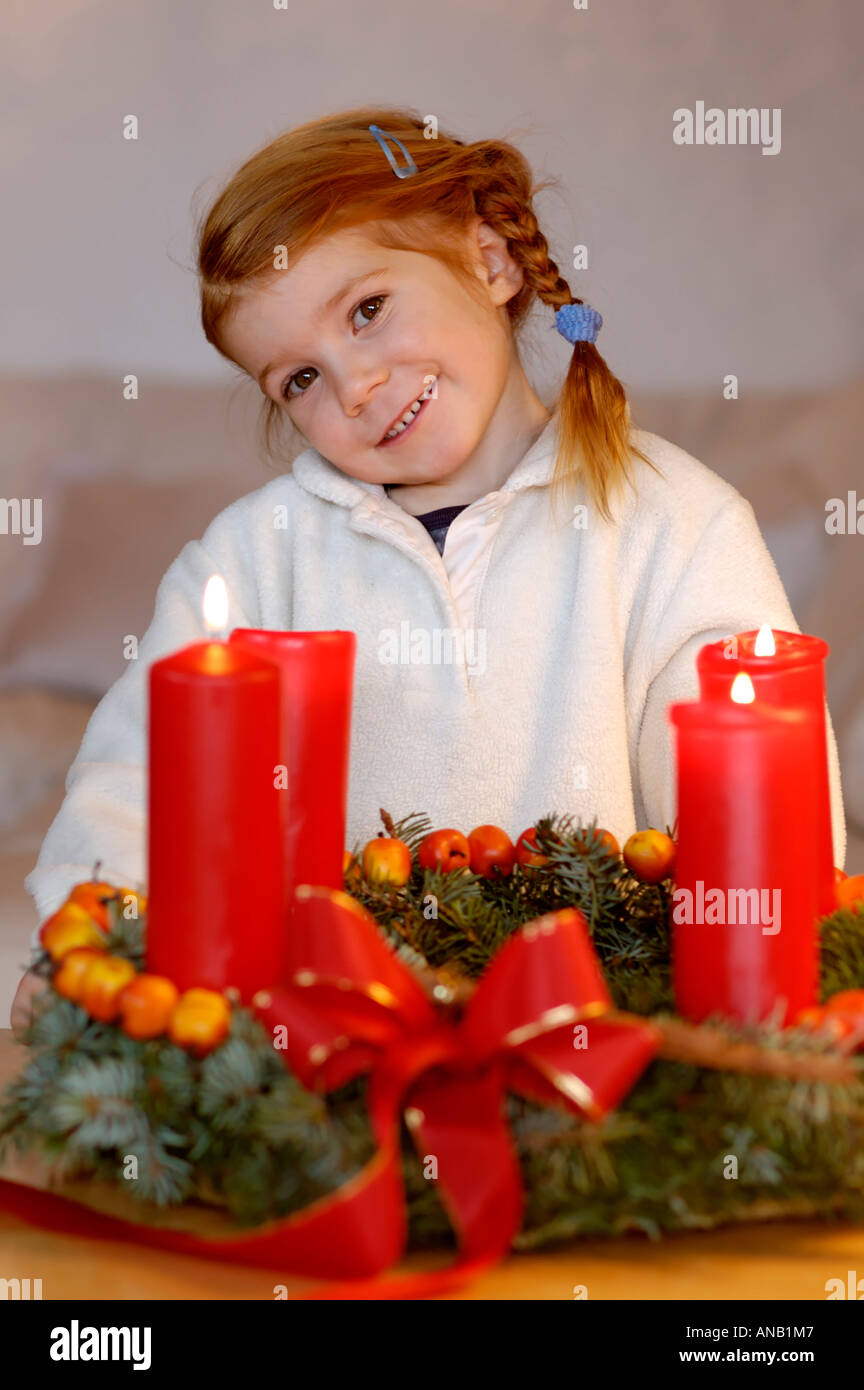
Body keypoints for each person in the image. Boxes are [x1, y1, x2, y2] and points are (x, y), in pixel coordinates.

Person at [13, 106, 846, 1027]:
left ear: (488, 261)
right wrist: (86, 950)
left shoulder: (676, 524)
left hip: (605, 1053)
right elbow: (141, 787)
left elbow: (757, 835)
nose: (355, 386)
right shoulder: (252, 561)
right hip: (327, 1060)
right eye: (299, 380)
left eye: (367, 311)